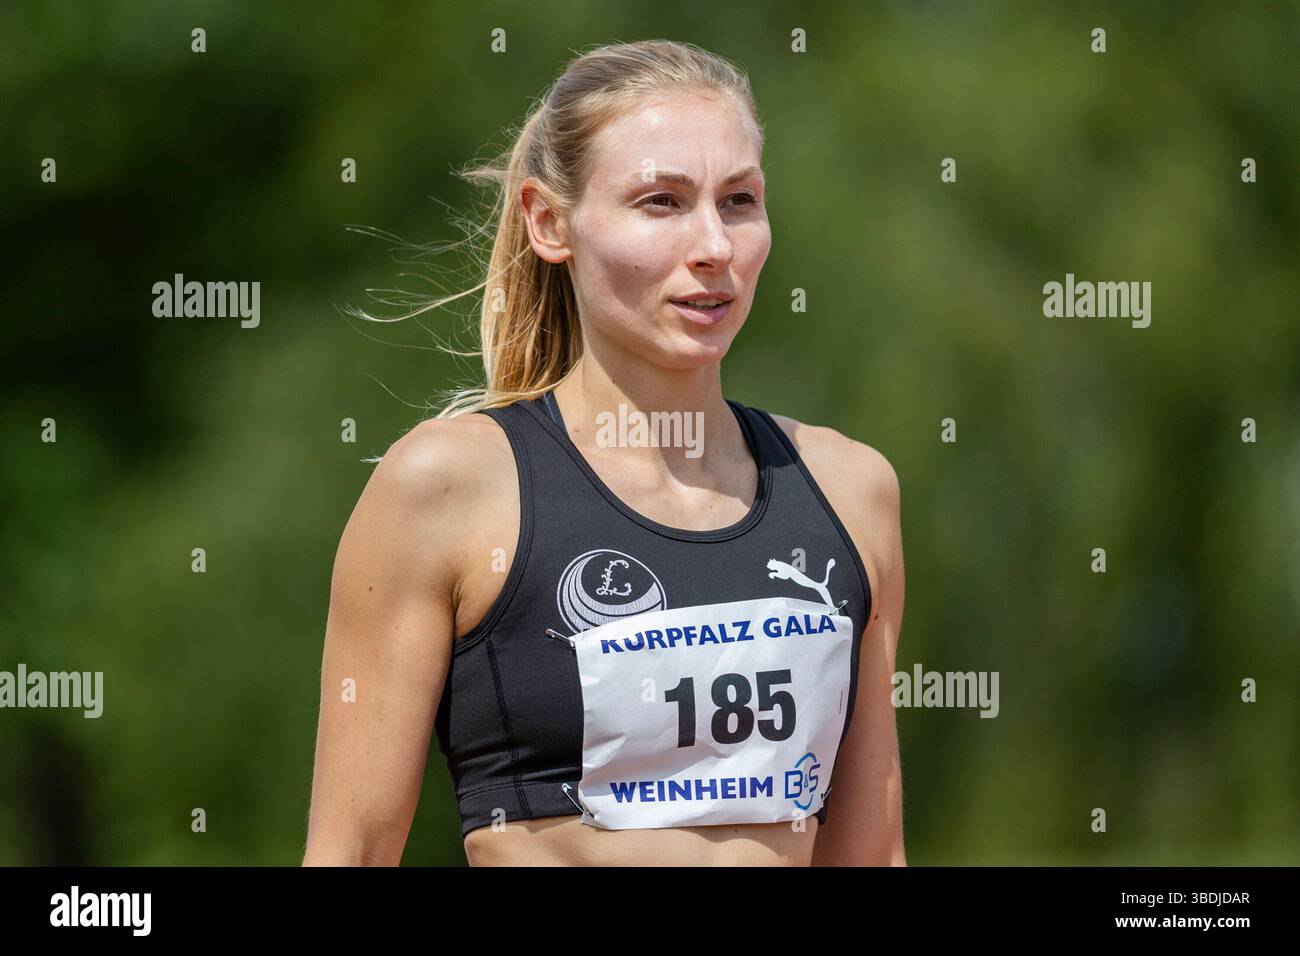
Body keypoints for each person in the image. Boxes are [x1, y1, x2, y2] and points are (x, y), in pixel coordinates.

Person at [303, 39, 905, 867]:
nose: (715, 247)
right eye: (661, 201)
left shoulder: (848, 488)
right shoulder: (447, 488)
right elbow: (351, 853)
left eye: (739, 201)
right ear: (549, 223)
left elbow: (869, 857)